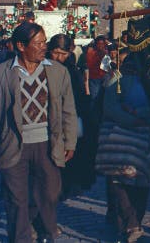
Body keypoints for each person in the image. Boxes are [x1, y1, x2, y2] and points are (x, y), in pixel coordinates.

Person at [0, 22, 77, 242]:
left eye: (44, 42)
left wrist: (70, 142)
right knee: (16, 198)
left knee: (50, 193)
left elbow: (68, 109)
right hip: (12, 145)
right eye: (38, 43)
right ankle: (20, 237)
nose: (43, 47)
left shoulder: (58, 72)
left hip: (48, 144)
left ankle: (44, 229)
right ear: (21, 46)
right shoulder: (0, 74)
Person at [99, 52, 150, 242]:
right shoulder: (115, 80)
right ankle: (128, 225)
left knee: (142, 184)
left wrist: (138, 113)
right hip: (120, 139)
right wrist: (133, 120)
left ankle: (134, 222)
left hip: (145, 139)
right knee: (121, 183)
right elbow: (110, 108)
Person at [47, 34, 87, 199]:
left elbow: (77, 98)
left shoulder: (70, 69)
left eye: (63, 54)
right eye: (56, 53)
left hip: (69, 119)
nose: (59, 57)